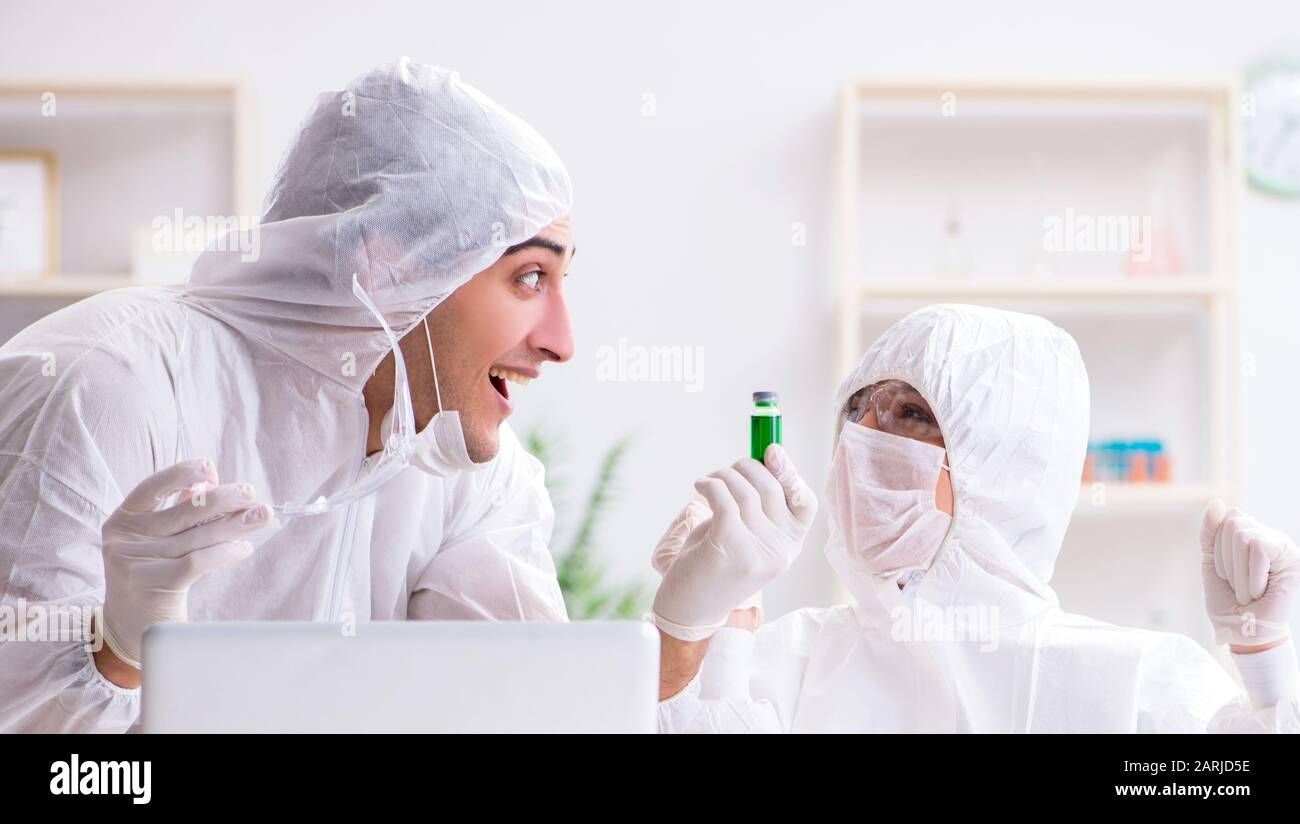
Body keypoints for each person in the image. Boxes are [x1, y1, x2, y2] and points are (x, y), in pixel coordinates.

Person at [0, 58, 577, 732]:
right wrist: (118, 654)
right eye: (530, 276)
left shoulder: (464, 465)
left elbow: (535, 710)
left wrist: (688, 634)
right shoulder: (104, 385)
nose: (562, 342)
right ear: (387, 264)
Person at [654, 304, 1300, 733]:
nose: (863, 440)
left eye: (911, 414)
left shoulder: (1135, 682)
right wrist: (708, 633)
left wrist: (1266, 670)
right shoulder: (792, 660)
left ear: (1006, 466)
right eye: (858, 411)